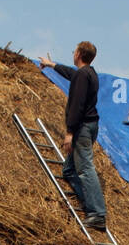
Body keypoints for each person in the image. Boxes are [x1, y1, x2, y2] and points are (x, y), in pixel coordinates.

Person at [38, 44, 107, 230]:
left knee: (85, 169)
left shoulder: (83, 76)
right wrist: (51, 64)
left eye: (74, 51)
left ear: (79, 54)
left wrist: (69, 133)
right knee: (69, 170)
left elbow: (77, 105)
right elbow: (71, 74)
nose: (73, 54)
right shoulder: (88, 73)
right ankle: (89, 200)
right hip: (90, 126)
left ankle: (97, 214)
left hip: (82, 128)